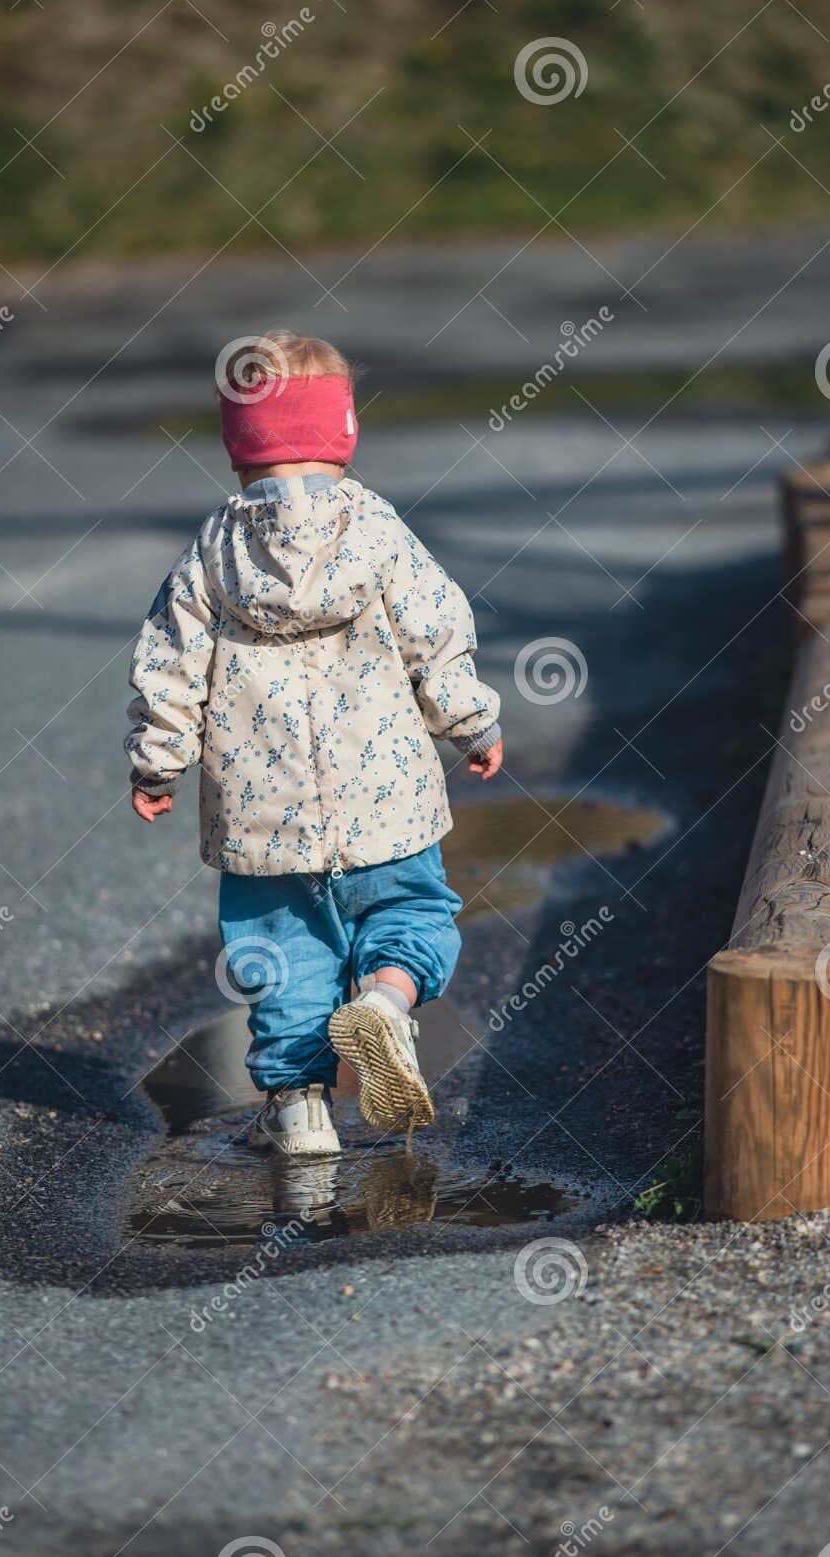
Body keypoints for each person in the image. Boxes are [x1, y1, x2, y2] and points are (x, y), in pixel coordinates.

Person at [126, 330, 502, 1156]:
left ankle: (298, 1113)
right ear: (345, 433)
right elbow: (435, 632)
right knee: (410, 911)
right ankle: (386, 1002)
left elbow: (169, 666)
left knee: (279, 954)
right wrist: (470, 721)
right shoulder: (376, 531)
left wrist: (157, 764)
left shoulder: (212, 553)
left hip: (262, 819)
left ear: (238, 450)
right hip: (387, 803)